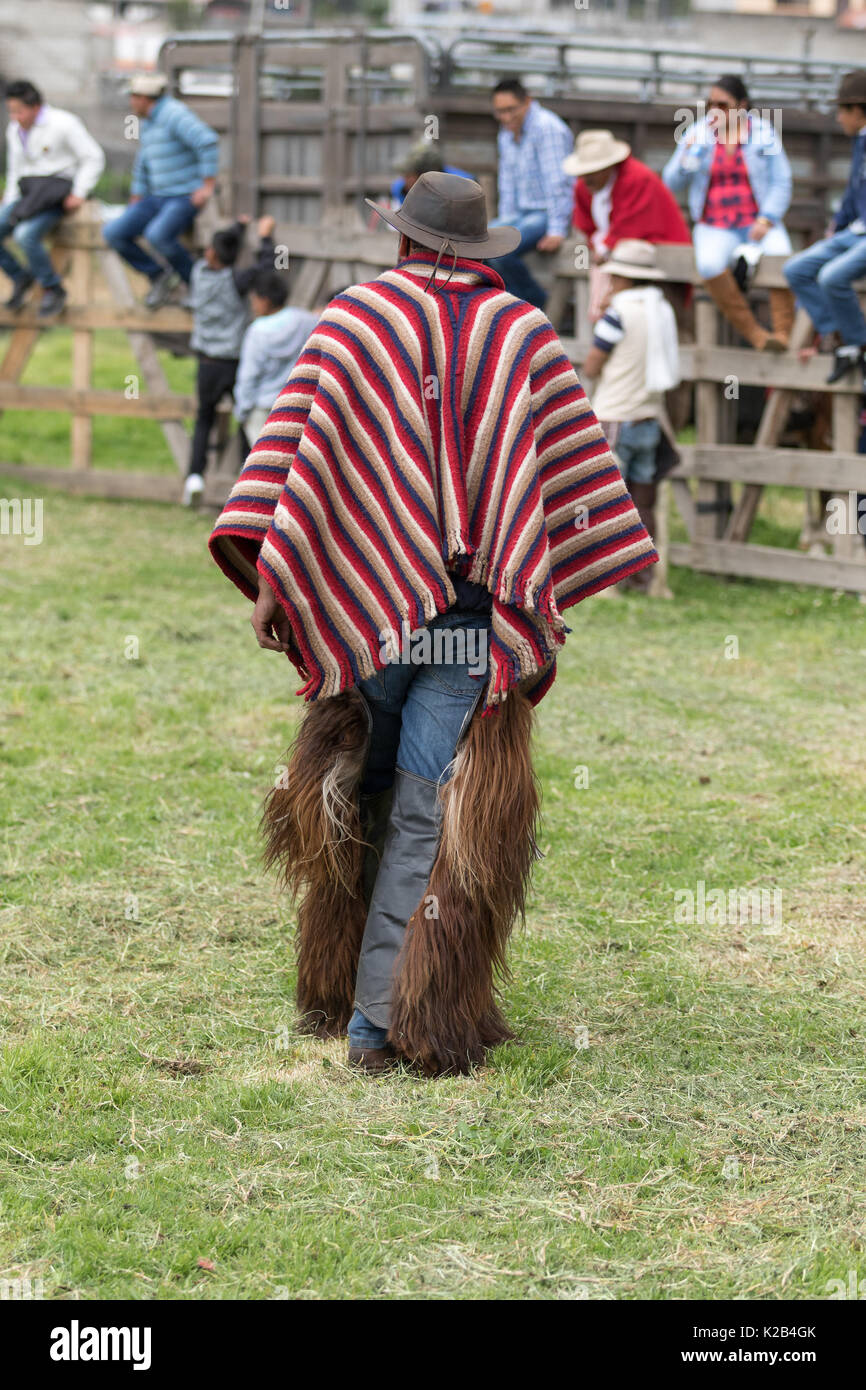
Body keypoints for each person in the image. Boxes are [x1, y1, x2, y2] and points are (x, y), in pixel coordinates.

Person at [208, 172, 657, 1078]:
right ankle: (381, 1023)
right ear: (478, 251)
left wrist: (275, 585)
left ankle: (348, 995)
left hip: (365, 614)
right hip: (472, 622)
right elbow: (565, 472)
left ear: (405, 241)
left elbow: (298, 459)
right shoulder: (521, 331)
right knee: (428, 810)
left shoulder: (355, 318)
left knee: (355, 788)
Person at [663, 74, 795, 352]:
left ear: (742, 105)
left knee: (783, 257)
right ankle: (757, 335)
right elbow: (671, 183)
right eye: (711, 104)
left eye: (723, 105)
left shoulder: (763, 133)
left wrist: (767, 217)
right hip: (715, 224)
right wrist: (688, 158)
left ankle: (784, 335)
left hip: (757, 222)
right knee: (709, 265)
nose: (715, 111)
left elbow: (781, 181)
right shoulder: (697, 133)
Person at [581, 239, 681, 585]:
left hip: (615, 415)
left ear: (623, 278)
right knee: (645, 499)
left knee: (610, 501)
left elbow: (593, 364)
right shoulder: (662, 310)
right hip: (649, 417)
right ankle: (646, 575)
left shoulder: (619, 313)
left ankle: (613, 576)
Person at [183, 214, 278, 506]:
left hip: (206, 363)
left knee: (204, 418)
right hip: (233, 363)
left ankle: (195, 476)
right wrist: (265, 237)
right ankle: (245, 475)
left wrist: (238, 224)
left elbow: (222, 246)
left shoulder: (198, 272)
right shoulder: (236, 280)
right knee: (244, 417)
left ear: (211, 253)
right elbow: (265, 267)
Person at [103, 74, 219, 310]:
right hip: (156, 196)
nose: (130, 102)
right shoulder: (147, 121)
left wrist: (207, 185)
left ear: (145, 98)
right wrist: (137, 193)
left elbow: (207, 142)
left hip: (182, 195)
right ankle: (158, 276)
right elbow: (144, 160)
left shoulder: (174, 114)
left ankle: (195, 285)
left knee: (158, 235)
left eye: (133, 97)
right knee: (114, 232)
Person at [784, 70, 866, 384]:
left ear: (858, 110)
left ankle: (857, 344)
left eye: (842, 110)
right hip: (856, 232)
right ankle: (834, 334)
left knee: (832, 277)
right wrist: (838, 224)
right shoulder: (861, 141)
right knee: (796, 269)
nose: (839, 117)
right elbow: (853, 191)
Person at [0, 79, 104, 318]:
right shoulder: (14, 130)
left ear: (36, 107)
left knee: (25, 235)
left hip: (54, 195)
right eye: (11, 111)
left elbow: (93, 157)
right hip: (28, 194)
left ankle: (52, 288)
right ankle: (20, 277)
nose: (15, 117)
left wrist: (79, 192)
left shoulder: (64, 123)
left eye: (19, 111)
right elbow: (16, 169)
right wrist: (9, 202)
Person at [566, 128, 691, 323]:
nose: (587, 178)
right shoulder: (583, 188)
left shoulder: (639, 178)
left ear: (609, 166)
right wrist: (599, 246)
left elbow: (633, 223)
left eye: (593, 171)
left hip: (648, 258)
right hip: (609, 261)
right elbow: (586, 225)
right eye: (584, 172)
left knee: (638, 314)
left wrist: (606, 246)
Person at [486, 77, 574, 309]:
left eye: (510, 110)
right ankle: (512, 306)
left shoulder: (548, 129)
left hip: (546, 213)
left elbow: (559, 182)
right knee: (479, 243)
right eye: (499, 112)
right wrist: (505, 220)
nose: (505, 117)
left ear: (527, 102)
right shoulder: (505, 134)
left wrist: (557, 228)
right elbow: (507, 183)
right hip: (521, 213)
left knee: (499, 250)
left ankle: (536, 306)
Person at [232, 270, 317, 447]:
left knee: (266, 466)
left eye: (254, 299)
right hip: (297, 405)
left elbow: (249, 375)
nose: (253, 305)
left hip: (263, 409)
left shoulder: (257, 331)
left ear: (265, 300)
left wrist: (243, 410)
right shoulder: (305, 321)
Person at [389, 140, 473, 207]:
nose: (404, 180)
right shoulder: (400, 188)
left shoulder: (463, 186)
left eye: (408, 175)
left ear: (424, 177)